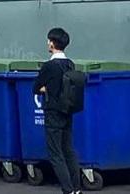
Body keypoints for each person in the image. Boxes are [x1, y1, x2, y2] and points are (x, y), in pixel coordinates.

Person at [33, 28, 82, 194]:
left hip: (53, 112)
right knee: (69, 150)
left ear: (53, 43)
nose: (47, 43)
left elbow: (36, 87)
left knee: (55, 154)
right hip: (68, 111)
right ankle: (76, 188)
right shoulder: (70, 64)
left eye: (48, 40)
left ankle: (67, 190)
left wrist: (46, 89)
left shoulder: (49, 66)